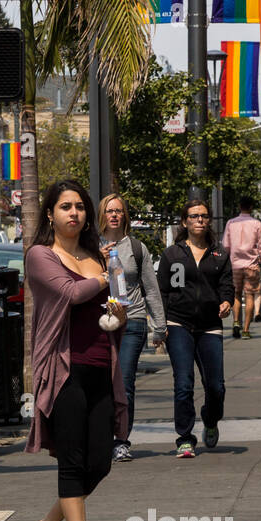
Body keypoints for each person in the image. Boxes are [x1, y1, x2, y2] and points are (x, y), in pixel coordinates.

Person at [24, 178, 129, 521]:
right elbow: (71, 294)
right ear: (50, 214)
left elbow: (115, 304)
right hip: (64, 370)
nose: (74, 213)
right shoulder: (40, 255)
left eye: (80, 207)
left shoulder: (95, 256)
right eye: (65, 206)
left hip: (102, 366)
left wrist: (117, 312)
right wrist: (106, 278)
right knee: (72, 461)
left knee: (99, 462)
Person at [157, 198, 234, 458]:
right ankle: (185, 438)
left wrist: (227, 302)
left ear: (209, 220)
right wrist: (161, 325)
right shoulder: (173, 254)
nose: (199, 220)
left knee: (216, 387)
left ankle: (210, 420)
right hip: (179, 323)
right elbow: (163, 292)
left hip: (210, 325)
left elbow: (227, 286)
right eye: (193, 216)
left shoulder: (219, 254)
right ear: (184, 222)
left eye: (203, 216)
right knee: (183, 383)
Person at [97, 192, 166, 463]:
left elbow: (151, 288)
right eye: (109, 210)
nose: (114, 215)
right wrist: (98, 259)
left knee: (124, 383)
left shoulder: (137, 248)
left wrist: (159, 326)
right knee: (101, 383)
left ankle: (121, 441)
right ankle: (101, 436)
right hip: (99, 323)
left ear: (125, 215)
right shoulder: (90, 246)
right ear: (101, 215)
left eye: (119, 210)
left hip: (132, 319)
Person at [222, 196, 261, 340]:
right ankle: (246, 329)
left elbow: (226, 246)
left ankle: (236, 322)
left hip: (234, 265)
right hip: (251, 265)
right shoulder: (257, 224)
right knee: (250, 295)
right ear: (251, 207)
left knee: (235, 294)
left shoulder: (230, 223)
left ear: (239, 206)